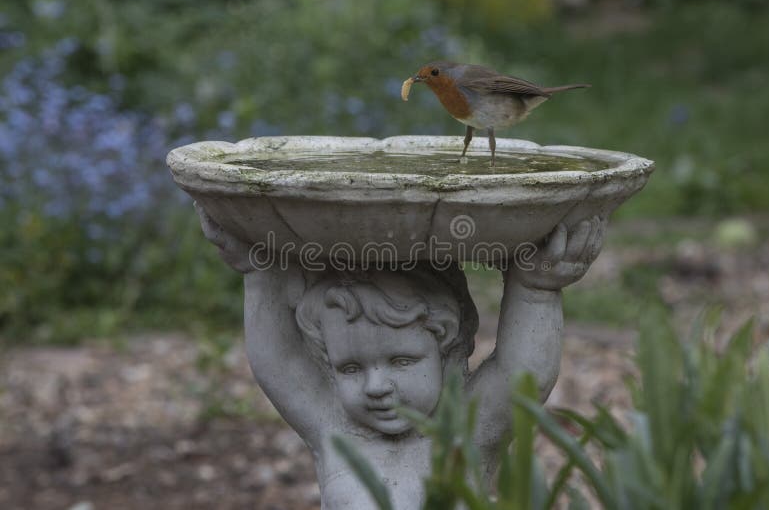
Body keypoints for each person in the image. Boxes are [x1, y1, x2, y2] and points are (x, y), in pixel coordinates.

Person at [195, 204, 605, 509]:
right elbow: (277, 361)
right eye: (350, 368)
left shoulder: (467, 429)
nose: (375, 386)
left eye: (402, 361)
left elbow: (523, 373)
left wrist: (535, 288)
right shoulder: (334, 427)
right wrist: (260, 274)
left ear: (448, 350)